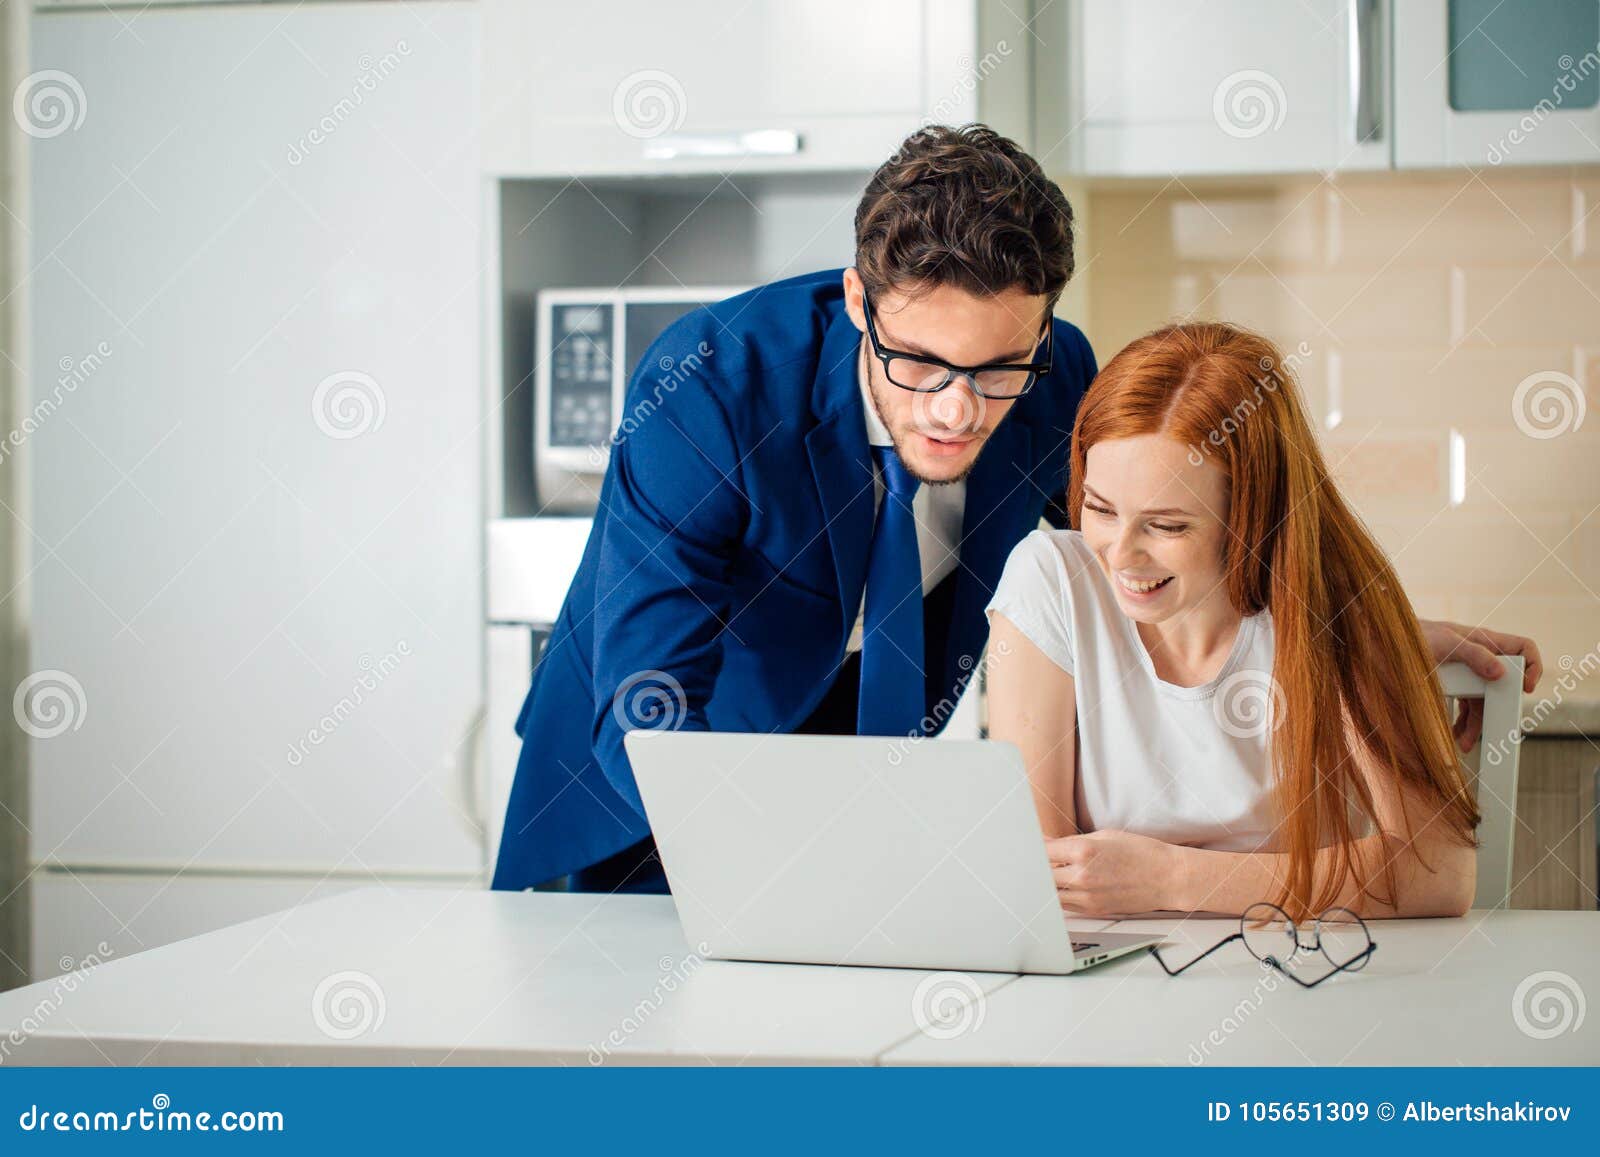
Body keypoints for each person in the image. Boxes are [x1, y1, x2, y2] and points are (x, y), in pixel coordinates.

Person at [985, 321, 1543, 921]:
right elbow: (1039, 876)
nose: (1121, 554)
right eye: (1099, 509)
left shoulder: (1337, 607)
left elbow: (1437, 874)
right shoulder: (1051, 580)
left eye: (1168, 525)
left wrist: (1172, 879)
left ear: (1253, 515)